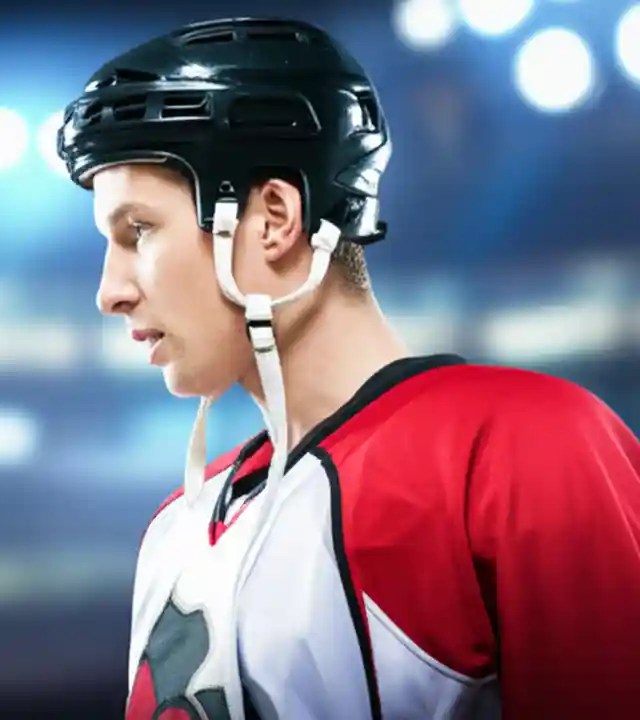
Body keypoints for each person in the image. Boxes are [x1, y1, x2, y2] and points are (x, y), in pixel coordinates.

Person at [55, 17, 640, 720]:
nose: (109, 292)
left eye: (138, 231)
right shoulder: (173, 531)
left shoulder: (521, 445)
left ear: (274, 218)